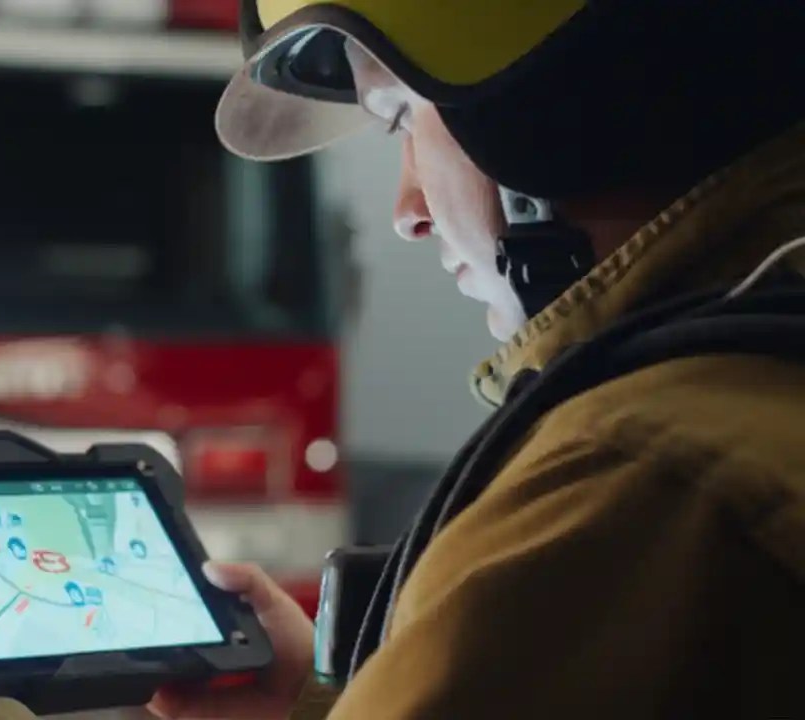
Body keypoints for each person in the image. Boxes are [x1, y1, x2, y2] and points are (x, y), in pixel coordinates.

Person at [146, 0, 805, 719]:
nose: (408, 212)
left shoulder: (633, 484)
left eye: (401, 118)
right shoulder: (759, 370)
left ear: (544, 107)